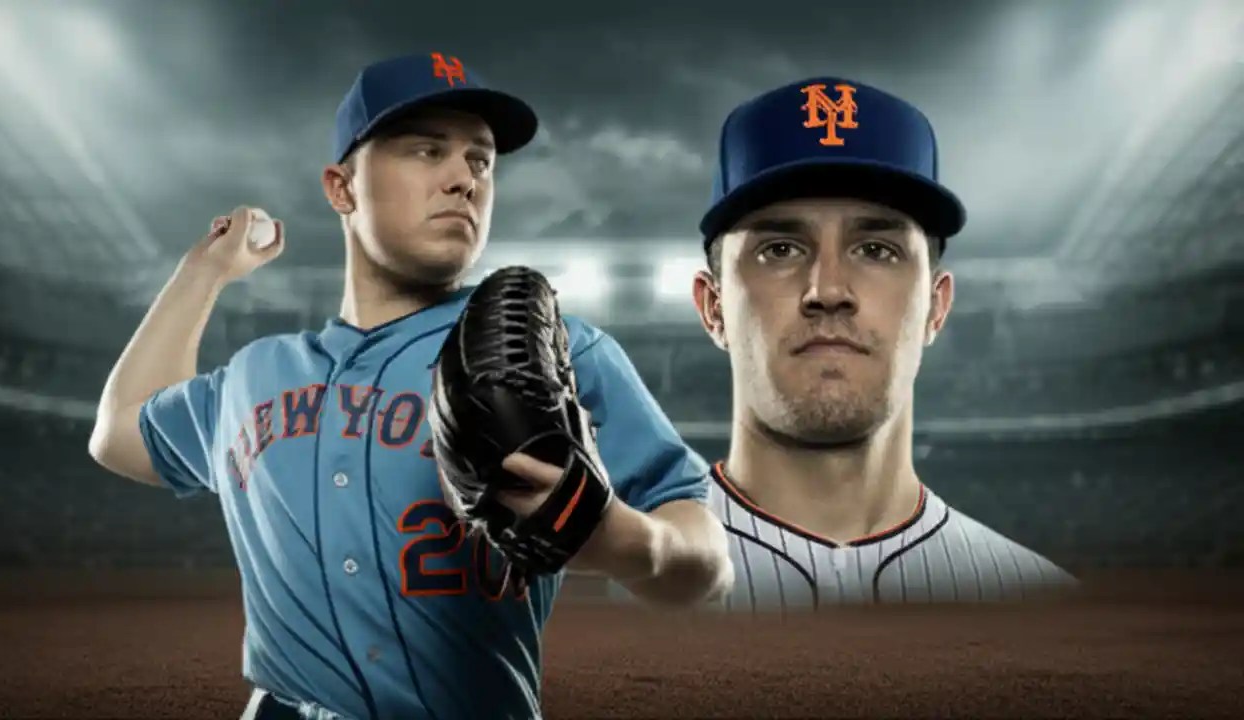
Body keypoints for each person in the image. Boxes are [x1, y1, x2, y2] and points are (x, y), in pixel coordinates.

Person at [87, 53, 732, 719]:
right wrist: (205, 270)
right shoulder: (256, 374)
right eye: (427, 150)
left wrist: (622, 539)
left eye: (480, 161)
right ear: (342, 188)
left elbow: (708, 558)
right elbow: (118, 433)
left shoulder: (551, 350)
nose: (464, 180)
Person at [688, 77, 1076, 612]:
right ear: (713, 308)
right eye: (779, 248)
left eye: (877, 249)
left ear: (936, 307)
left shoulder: (1043, 605)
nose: (827, 290)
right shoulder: (589, 594)